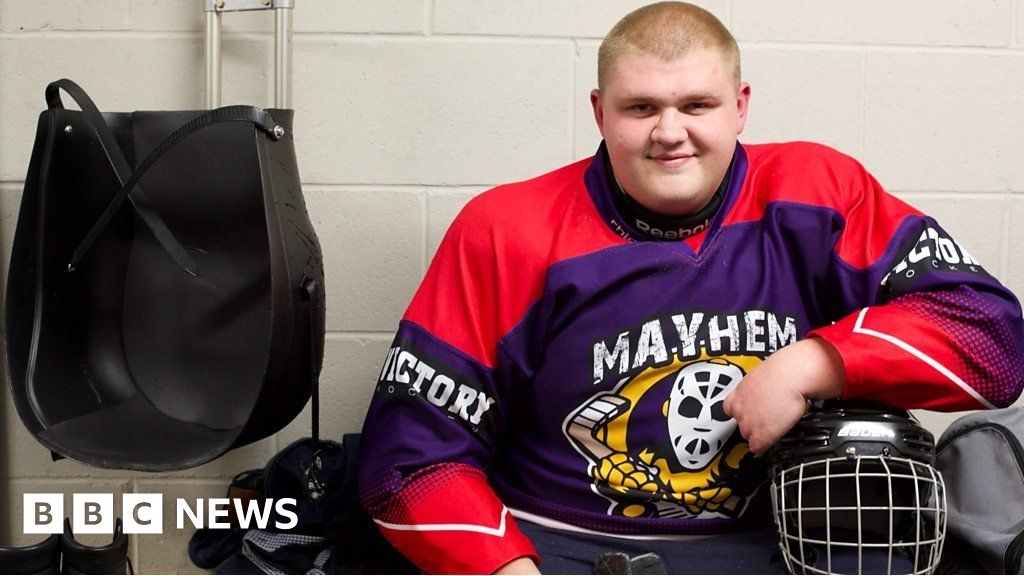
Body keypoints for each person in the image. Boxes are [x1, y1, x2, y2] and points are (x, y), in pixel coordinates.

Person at [357, 2, 1024, 574]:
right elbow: (409, 458)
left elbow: (990, 338)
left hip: (779, 548)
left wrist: (810, 364)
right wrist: (507, 567)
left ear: (740, 107)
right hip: (561, 550)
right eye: (641, 107)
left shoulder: (819, 192)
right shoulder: (506, 230)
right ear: (599, 112)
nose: (670, 132)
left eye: (697, 105)